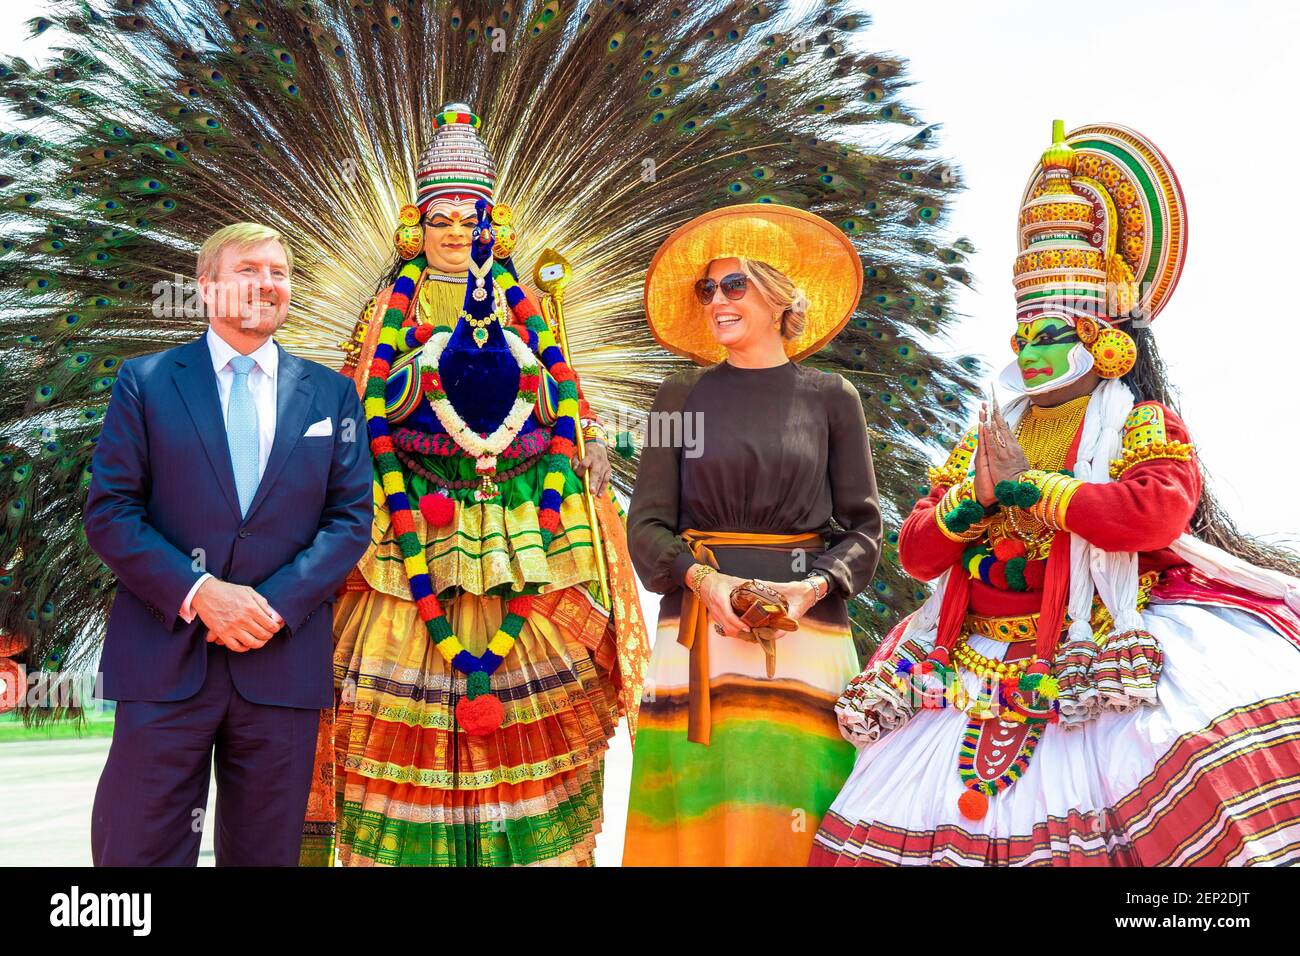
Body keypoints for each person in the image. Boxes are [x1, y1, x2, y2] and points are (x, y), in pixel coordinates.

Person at [813, 121, 1300, 866]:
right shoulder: (983, 435)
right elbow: (916, 553)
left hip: (1096, 652)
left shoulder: (1139, 420)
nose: (1031, 353)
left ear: (1105, 340)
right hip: (964, 665)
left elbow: (1154, 514)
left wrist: (1035, 488)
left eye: (1049, 334)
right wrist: (974, 500)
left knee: (1186, 773)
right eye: (1021, 339)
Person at [304, 105, 651, 867]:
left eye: (471, 219)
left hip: (521, 530)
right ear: (415, 228)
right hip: (407, 538)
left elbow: (567, 403)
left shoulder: (528, 311)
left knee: (525, 716)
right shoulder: (386, 312)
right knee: (403, 729)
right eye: (441, 220)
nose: (456, 233)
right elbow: (357, 404)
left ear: (494, 226)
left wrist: (588, 446)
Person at [85, 222, 374, 866]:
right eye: (249, 270)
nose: (266, 284)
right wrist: (200, 592)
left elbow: (351, 520)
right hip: (164, 661)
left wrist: (268, 607)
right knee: (138, 852)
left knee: (265, 855)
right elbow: (111, 512)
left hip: (280, 665)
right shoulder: (148, 382)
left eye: (279, 272)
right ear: (207, 286)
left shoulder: (333, 394)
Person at [622, 204, 882, 866]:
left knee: (802, 800)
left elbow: (863, 529)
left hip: (807, 637)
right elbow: (647, 524)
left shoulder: (833, 398)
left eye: (733, 284)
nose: (716, 300)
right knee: (700, 809)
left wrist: (809, 590)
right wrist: (706, 584)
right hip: (697, 635)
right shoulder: (675, 399)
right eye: (707, 288)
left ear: (776, 296)